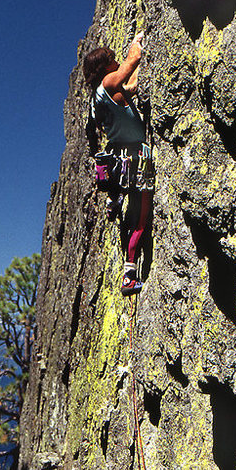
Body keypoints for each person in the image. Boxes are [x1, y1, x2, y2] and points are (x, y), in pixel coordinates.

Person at [83, 32, 153, 296]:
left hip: (118, 160)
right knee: (142, 217)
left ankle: (115, 199)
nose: (115, 61)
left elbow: (130, 88)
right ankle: (129, 276)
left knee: (134, 216)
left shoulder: (97, 98)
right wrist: (136, 42)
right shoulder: (109, 80)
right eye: (112, 58)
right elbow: (132, 61)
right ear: (105, 66)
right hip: (137, 157)